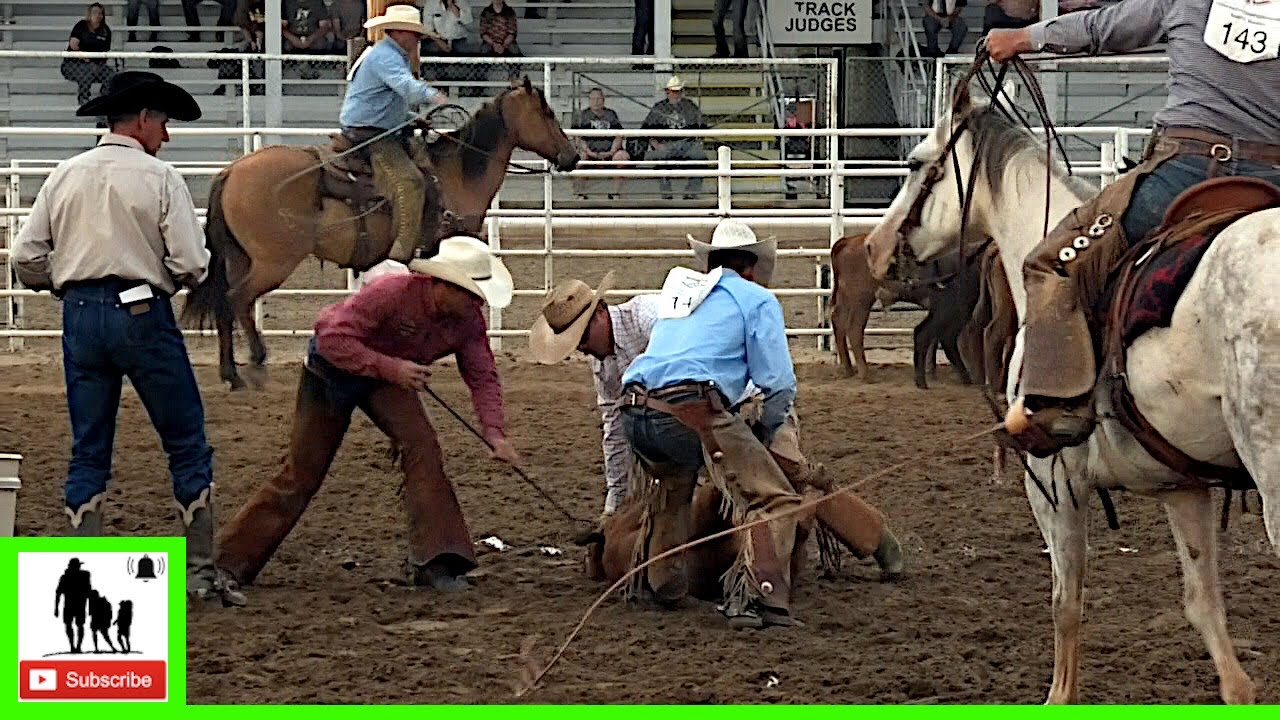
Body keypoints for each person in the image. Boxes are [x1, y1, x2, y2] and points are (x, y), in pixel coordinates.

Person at [986, 0, 1280, 455]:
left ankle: (1059, 405)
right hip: (1274, 179)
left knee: (1052, 262)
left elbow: (1103, 27)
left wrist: (1022, 38)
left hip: (1186, 171)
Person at [12, 72, 243, 608]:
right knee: (185, 439)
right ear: (141, 119)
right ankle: (200, 573)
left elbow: (25, 256)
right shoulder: (161, 179)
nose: (166, 134)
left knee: (88, 447)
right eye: (162, 121)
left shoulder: (64, 175)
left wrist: (63, 279)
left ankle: (84, 561)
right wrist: (193, 270)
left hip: (80, 315)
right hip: (141, 313)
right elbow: (188, 263)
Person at [216, 236, 521, 594]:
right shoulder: (391, 293)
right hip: (331, 372)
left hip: (386, 375)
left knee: (422, 445)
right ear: (443, 285)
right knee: (303, 473)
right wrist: (392, 369)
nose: (476, 303)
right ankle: (226, 561)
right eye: (470, 294)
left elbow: (482, 373)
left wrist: (494, 432)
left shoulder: (467, 320)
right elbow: (331, 339)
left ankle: (437, 562)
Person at [611, 220, 809, 628]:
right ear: (751, 267)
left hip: (634, 410)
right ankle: (759, 597)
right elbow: (778, 383)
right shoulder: (757, 299)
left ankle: (659, 582)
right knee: (775, 499)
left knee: (673, 485)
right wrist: (767, 434)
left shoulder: (682, 297)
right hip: (691, 407)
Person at [339, 5, 449, 264]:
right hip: (371, 134)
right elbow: (406, 87)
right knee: (410, 182)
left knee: (427, 167)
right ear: (400, 32)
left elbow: (388, 102)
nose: (417, 41)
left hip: (378, 127)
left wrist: (412, 119)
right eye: (415, 35)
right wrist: (433, 96)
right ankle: (400, 255)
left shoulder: (386, 54)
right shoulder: (385, 57)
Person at [642, 76, 707, 200]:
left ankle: (691, 192)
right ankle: (666, 191)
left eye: (678, 91)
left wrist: (698, 143)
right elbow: (646, 129)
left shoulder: (690, 106)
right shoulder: (659, 107)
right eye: (673, 91)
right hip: (666, 144)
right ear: (668, 92)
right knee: (660, 157)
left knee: (701, 158)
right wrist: (656, 145)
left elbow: (702, 126)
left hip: (687, 143)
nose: (676, 94)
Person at [571, 88, 630, 199]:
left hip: (610, 152)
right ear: (589, 100)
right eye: (593, 99)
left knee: (622, 157)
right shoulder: (583, 116)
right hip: (589, 152)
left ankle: (615, 193)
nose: (596, 101)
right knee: (579, 158)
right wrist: (589, 152)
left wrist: (612, 151)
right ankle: (580, 193)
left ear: (603, 100)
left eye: (599, 98)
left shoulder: (611, 114)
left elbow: (619, 135)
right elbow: (577, 137)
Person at [62, 3, 115, 107]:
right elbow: (73, 45)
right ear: (89, 14)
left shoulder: (106, 31)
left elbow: (105, 53)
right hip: (73, 64)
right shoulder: (81, 25)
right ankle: (83, 98)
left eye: (100, 13)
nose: (98, 15)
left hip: (96, 65)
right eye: (95, 12)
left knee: (111, 75)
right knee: (87, 70)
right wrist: (85, 58)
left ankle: (104, 98)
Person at [55, 558, 92, 653]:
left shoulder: (66, 577)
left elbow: (58, 593)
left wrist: (56, 607)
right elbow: (89, 591)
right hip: (77, 605)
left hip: (72, 605)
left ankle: (75, 646)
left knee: (74, 625)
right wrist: (56, 607)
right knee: (76, 625)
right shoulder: (84, 575)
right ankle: (75, 646)